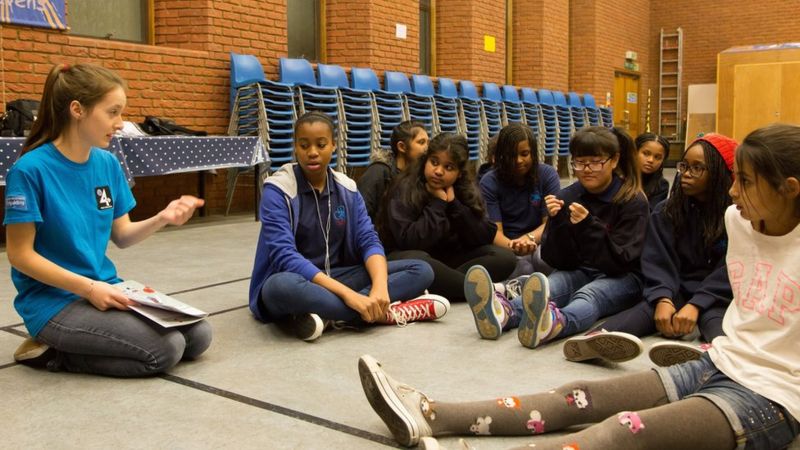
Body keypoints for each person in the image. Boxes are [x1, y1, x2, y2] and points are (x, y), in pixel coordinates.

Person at [358, 125, 800, 450]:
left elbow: (631, 260)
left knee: (620, 432)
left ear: (789, 189)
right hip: (723, 362)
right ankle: (431, 413)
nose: (732, 191)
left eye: (744, 181)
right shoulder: (737, 221)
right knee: (576, 396)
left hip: (773, 396)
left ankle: (565, 325)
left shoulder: (640, 202)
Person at [6, 63, 211, 377]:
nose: (120, 123)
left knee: (197, 336)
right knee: (165, 350)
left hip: (104, 287)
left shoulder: (107, 163)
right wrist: (88, 289)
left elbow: (123, 234)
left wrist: (162, 217)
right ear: (77, 110)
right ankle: (55, 353)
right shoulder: (30, 170)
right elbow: (21, 256)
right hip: (54, 301)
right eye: (112, 112)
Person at [249, 112, 447, 342]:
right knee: (279, 287)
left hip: (339, 275)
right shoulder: (278, 190)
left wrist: (380, 288)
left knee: (421, 270)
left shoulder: (348, 189)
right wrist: (350, 296)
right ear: (295, 148)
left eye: (321, 145)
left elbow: (368, 240)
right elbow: (285, 256)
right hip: (296, 280)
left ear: (333, 145)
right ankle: (377, 313)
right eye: (304, 145)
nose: (312, 152)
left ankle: (330, 316)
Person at [563, 133, 738, 365]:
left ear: (718, 174)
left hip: (714, 296)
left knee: (715, 321)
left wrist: (697, 304)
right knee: (641, 314)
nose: (686, 174)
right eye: (684, 166)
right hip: (674, 287)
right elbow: (657, 259)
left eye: (697, 168)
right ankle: (593, 341)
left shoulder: (736, 217)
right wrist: (663, 298)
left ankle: (716, 354)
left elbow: (731, 269)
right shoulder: (667, 211)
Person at [464, 127, 648, 346]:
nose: (587, 170)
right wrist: (558, 222)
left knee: (589, 296)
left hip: (624, 277)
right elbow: (558, 260)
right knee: (552, 286)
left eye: (595, 162)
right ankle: (504, 314)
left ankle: (553, 323)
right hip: (582, 269)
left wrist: (589, 225)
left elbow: (622, 261)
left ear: (614, 160)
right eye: (579, 163)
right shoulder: (568, 196)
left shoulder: (632, 200)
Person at [377, 133, 516, 303]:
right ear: (425, 161)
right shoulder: (404, 187)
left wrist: (454, 205)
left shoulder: (463, 190)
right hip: (409, 260)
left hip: (448, 262)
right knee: (421, 262)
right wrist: (437, 204)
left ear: (458, 173)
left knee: (505, 258)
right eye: (434, 162)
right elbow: (410, 241)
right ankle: (491, 290)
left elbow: (483, 236)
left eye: (448, 167)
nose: (438, 171)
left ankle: (446, 285)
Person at [480, 123, 561, 277]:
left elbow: (549, 223)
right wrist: (515, 246)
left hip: (539, 241)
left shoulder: (547, 175)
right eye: (512, 155)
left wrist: (528, 239)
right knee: (523, 268)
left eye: (524, 154)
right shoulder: (489, 182)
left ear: (533, 154)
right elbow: (495, 233)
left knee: (542, 260)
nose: (518, 160)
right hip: (506, 246)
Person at [357, 121, 429, 222]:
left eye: (427, 142)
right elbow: (359, 215)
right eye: (421, 142)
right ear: (402, 147)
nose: (427, 148)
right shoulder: (378, 172)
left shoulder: (421, 176)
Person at [636, 133, 670, 209]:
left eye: (657, 157)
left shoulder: (661, 185)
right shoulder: (621, 176)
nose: (651, 160)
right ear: (635, 152)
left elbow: (650, 214)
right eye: (646, 154)